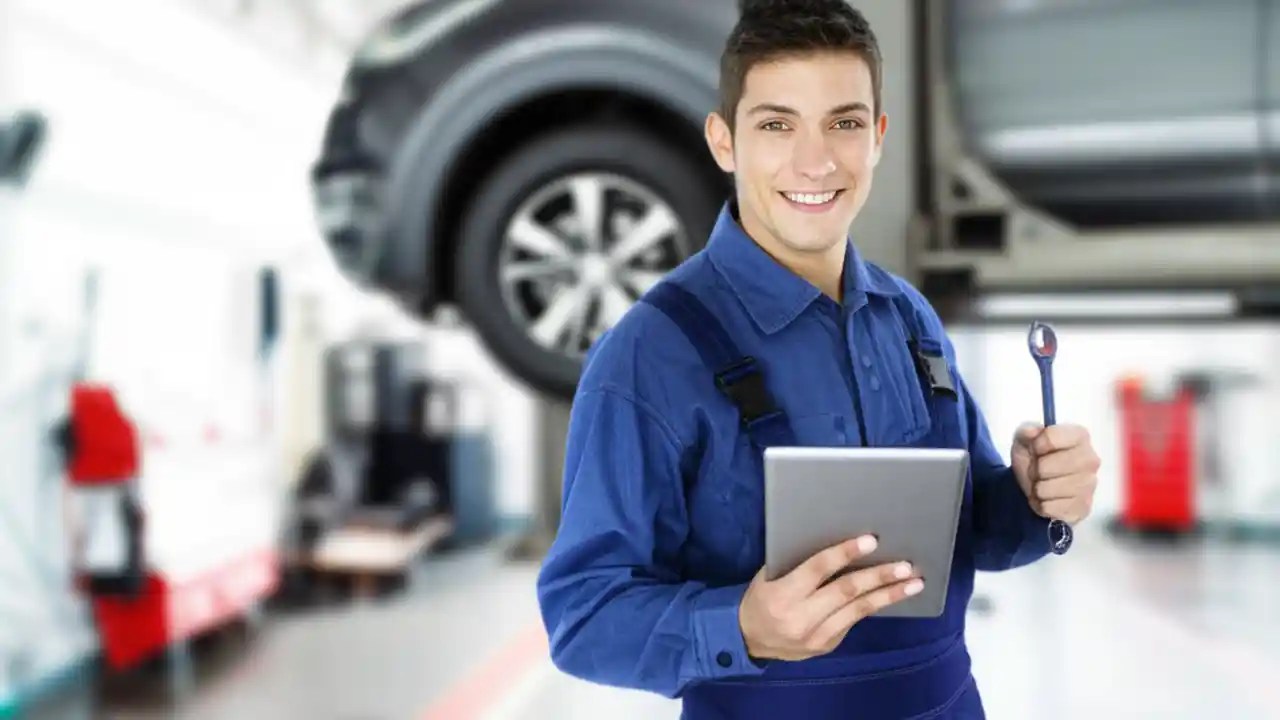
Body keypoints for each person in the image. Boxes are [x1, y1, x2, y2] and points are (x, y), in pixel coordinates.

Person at [536, 1, 1102, 717]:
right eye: (776, 125)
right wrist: (740, 626)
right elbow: (582, 616)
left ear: (878, 138)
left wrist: (1033, 497)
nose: (816, 160)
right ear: (724, 141)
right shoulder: (649, 354)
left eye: (845, 122)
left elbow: (973, 530)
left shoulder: (910, 321)